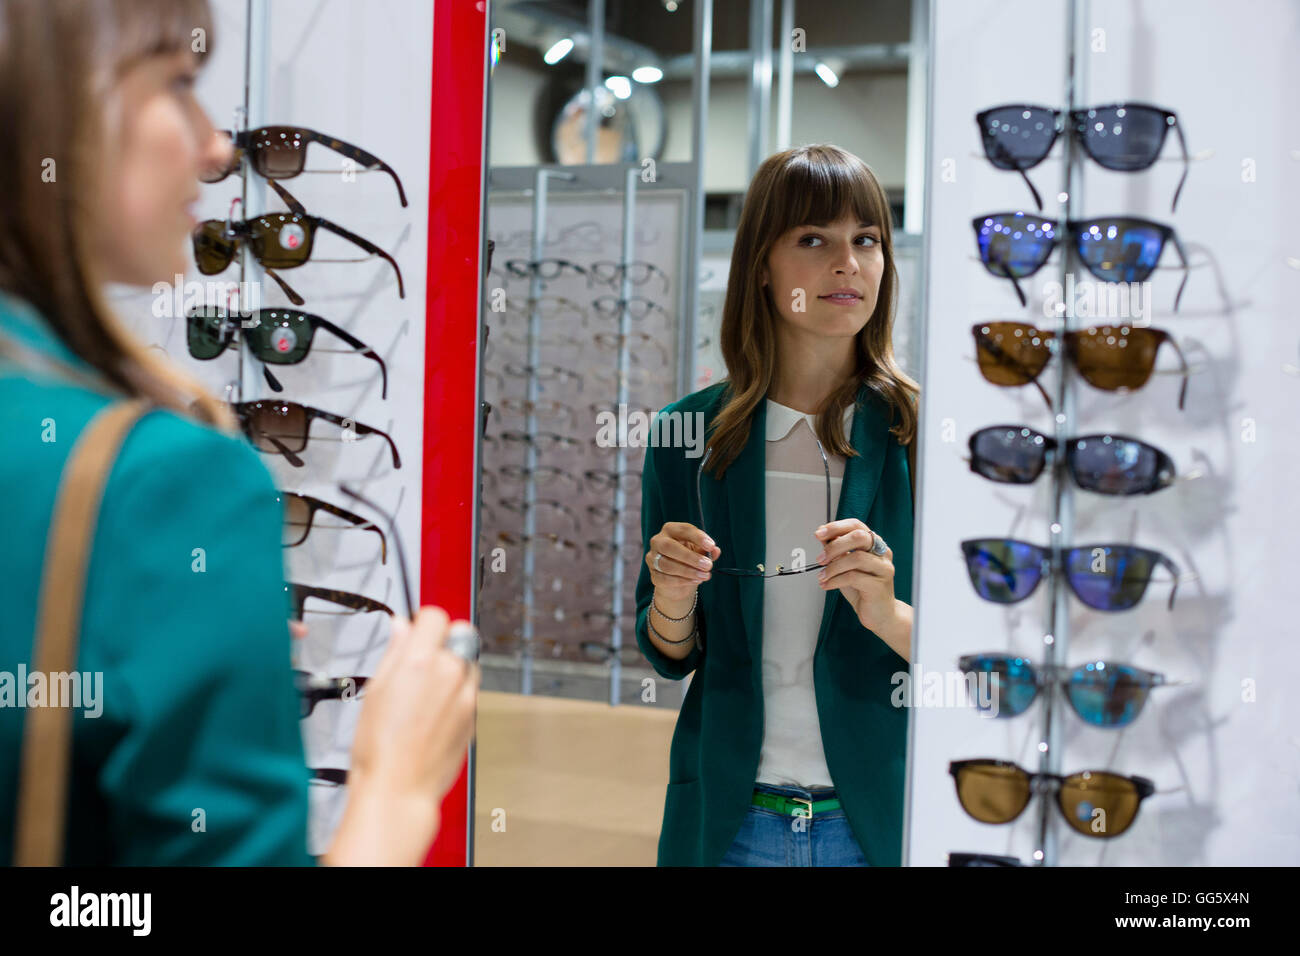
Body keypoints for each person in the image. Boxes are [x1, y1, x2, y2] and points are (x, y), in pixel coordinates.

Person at [0, 0, 477, 865]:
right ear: (52, 102)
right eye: (177, 84)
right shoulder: (166, 483)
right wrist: (396, 786)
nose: (217, 147)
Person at [636, 144, 918, 867]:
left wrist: (887, 614)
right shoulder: (688, 434)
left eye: (867, 241)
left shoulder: (928, 439)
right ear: (762, 265)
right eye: (814, 239)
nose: (847, 264)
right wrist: (671, 596)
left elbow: (985, 665)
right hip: (733, 822)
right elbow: (672, 655)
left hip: (882, 820)